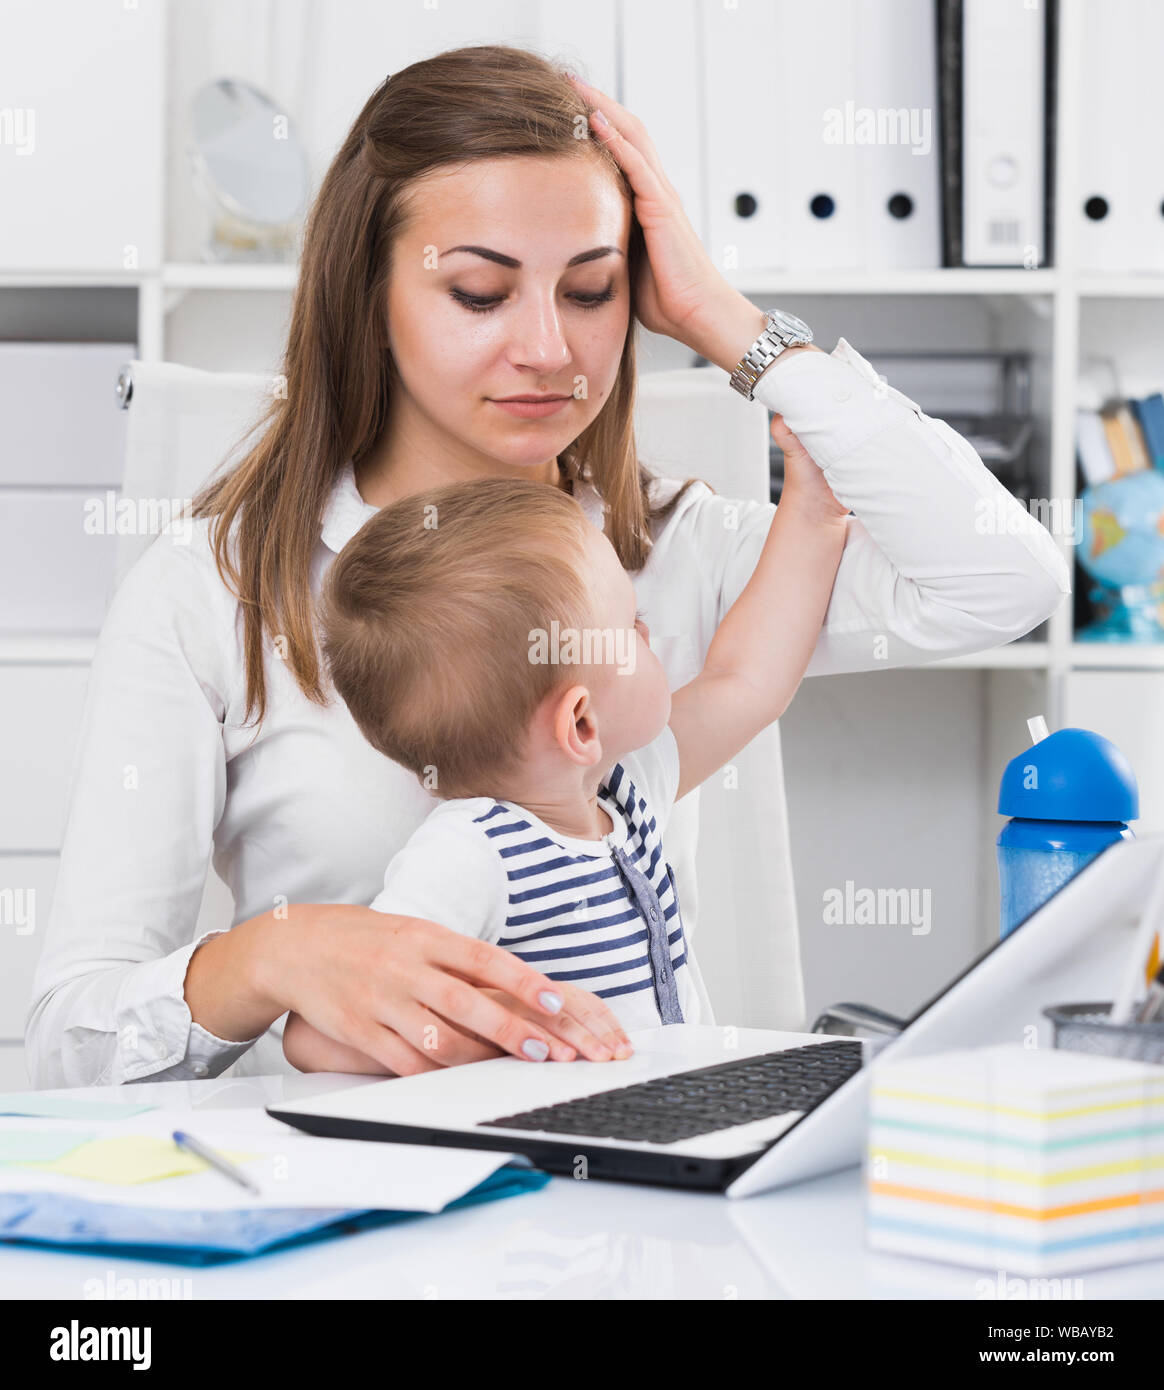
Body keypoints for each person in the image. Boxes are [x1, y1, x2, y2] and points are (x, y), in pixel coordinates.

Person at [25, 46, 1069, 1088]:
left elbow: (1006, 581)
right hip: (363, 1197)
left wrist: (731, 324)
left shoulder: (672, 548)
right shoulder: (212, 589)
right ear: (367, 298)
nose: (549, 350)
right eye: (479, 292)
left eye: (593, 289)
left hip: (634, 1184)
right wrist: (269, 959)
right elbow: (72, 1048)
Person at [283, 445, 847, 1071]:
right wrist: (497, 1023)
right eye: (633, 625)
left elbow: (747, 678)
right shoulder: (469, 853)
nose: (649, 635)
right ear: (580, 723)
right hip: (558, 1148)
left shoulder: (627, 790)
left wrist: (813, 511)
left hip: (668, 1115)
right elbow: (319, 1036)